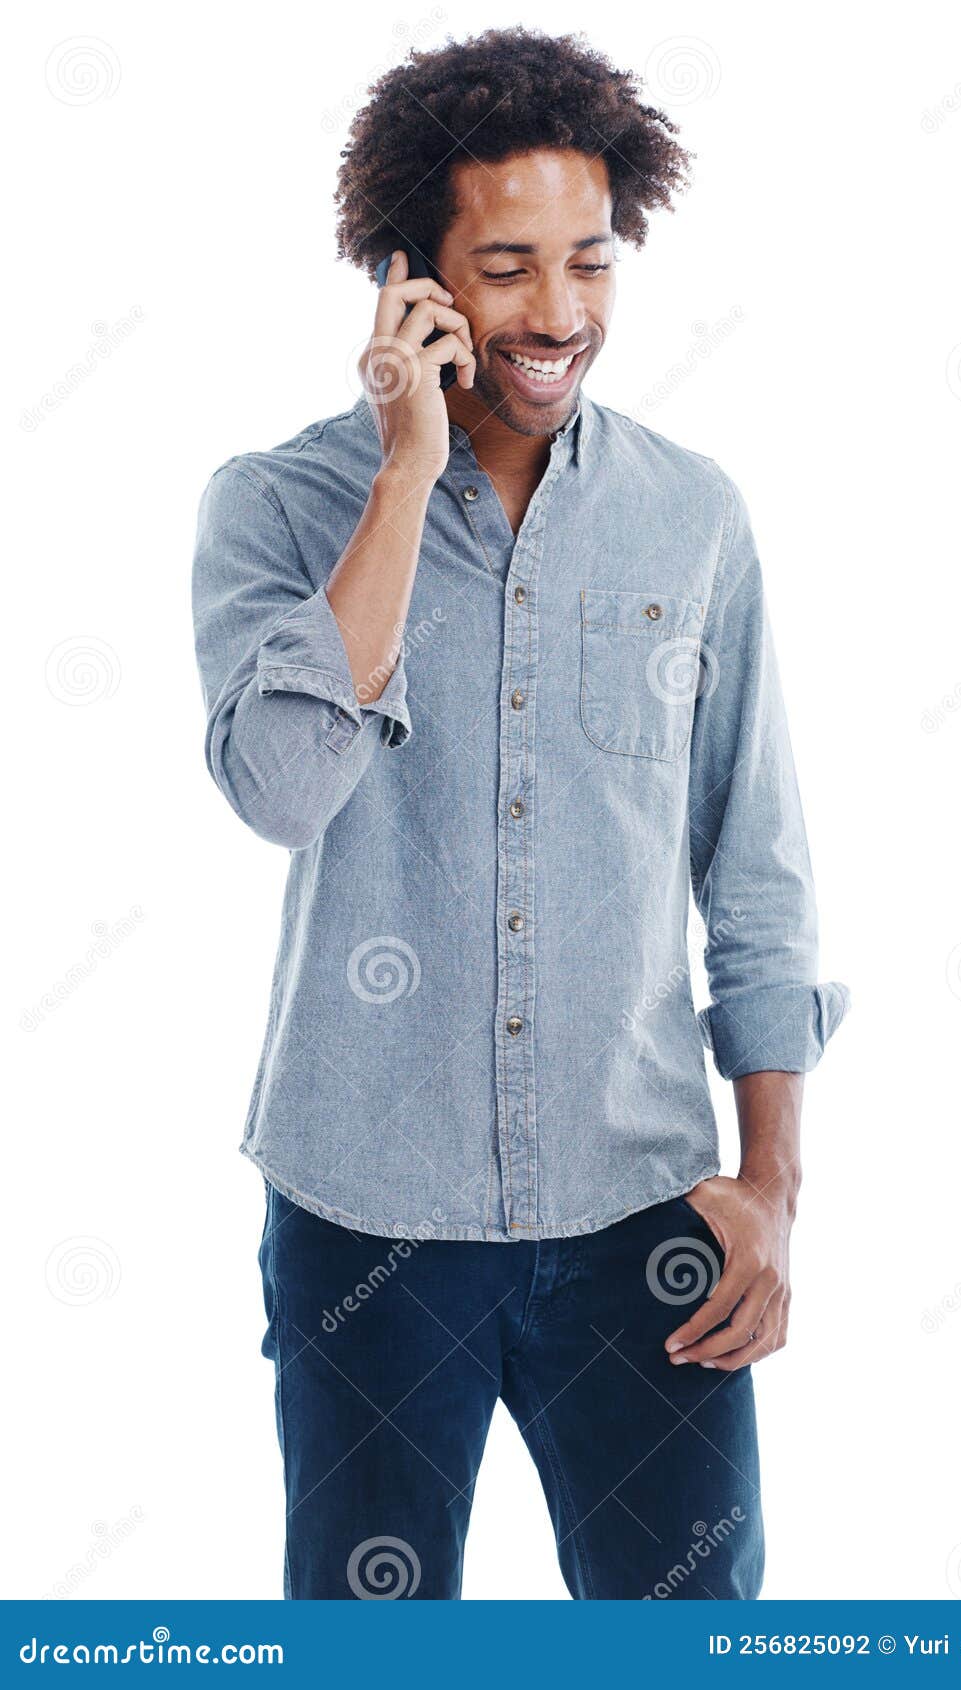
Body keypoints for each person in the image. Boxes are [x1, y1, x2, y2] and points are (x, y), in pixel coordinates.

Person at [191, 25, 849, 1601]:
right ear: (408, 277)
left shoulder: (693, 516)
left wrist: (771, 1185)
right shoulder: (274, 508)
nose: (559, 315)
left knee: (687, 1642)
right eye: (505, 268)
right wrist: (406, 475)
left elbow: (755, 868)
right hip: (368, 1218)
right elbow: (283, 788)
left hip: (643, 1219)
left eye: (591, 263)